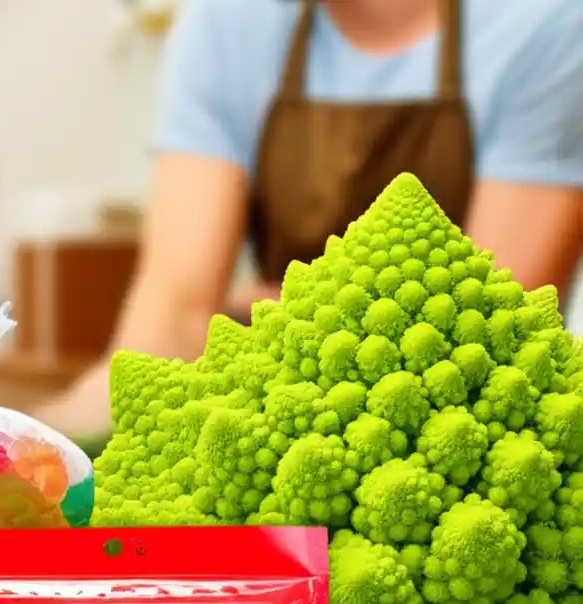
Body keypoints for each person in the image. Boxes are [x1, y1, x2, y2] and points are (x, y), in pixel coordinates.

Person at [37, 0, 583, 438]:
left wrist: (281, 317)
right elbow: (169, 327)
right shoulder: (225, 23)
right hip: (274, 423)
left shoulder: (546, 24)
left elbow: (489, 334)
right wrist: (15, 446)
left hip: (456, 434)